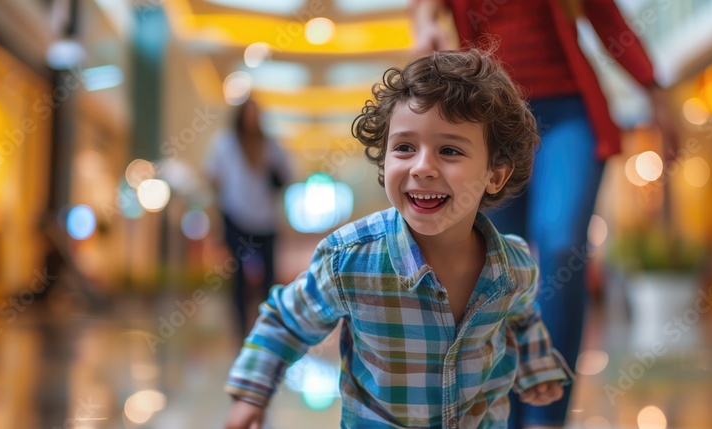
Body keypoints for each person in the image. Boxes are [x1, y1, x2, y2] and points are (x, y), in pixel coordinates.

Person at [224, 49, 573, 429]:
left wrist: (537, 366)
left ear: (495, 175)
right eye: (405, 147)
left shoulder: (514, 267)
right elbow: (286, 321)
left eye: (450, 150)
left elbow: (522, 317)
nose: (422, 167)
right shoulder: (350, 260)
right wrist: (250, 393)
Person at [411, 1, 679, 427]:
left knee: (560, 246)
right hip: (488, 121)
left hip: (568, 113)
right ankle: (504, 412)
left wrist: (654, 89)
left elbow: (606, 17)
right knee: (494, 272)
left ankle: (546, 415)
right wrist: (425, 25)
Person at [206, 99, 293, 339]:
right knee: (238, 279)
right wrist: (214, 216)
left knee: (269, 278)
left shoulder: (271, 145)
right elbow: (212, 178)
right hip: (235, 216)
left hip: (266, 218)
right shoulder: (224, 144)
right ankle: (239, 331)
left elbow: (287, 175)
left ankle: (268, 331)